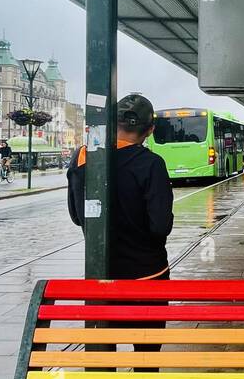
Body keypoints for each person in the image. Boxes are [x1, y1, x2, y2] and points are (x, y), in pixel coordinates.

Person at [67, 93, 174, 281]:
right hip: (147, 273)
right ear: (150, 130)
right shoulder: (152, 164)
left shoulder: (82, 158)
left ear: (112, 123)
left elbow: (76, 217)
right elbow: (160, 226)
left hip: (100, 273)